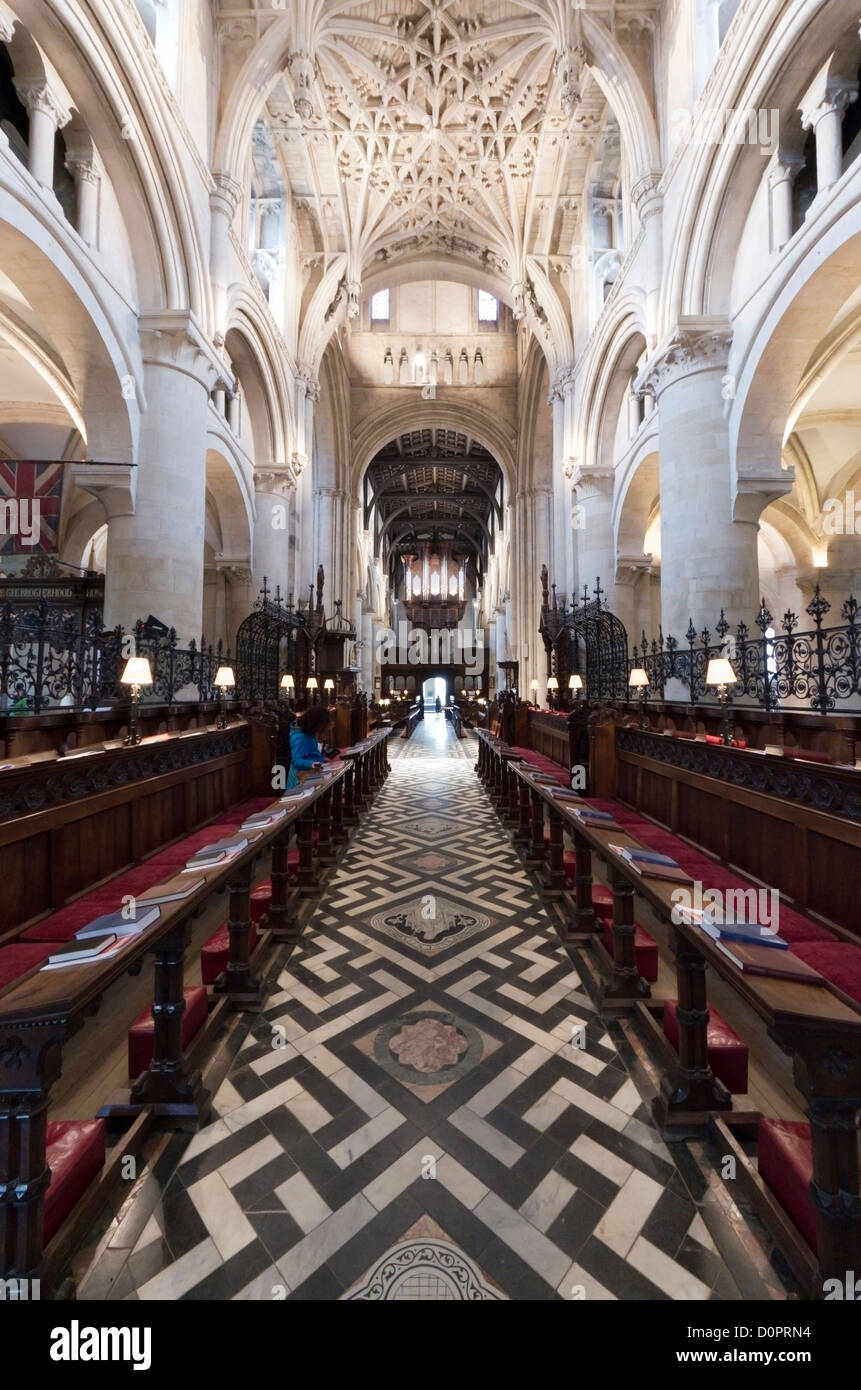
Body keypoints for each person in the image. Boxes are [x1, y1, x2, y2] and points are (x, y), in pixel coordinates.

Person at [287, 705, 331, 788]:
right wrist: (311, 763)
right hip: (300, 778)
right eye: (321, 727)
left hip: (310, 773)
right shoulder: (301, 737)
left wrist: (321, 760)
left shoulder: (309, 733)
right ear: (315, 723)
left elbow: (310, 753)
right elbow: (296, 761)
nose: (321, 730)